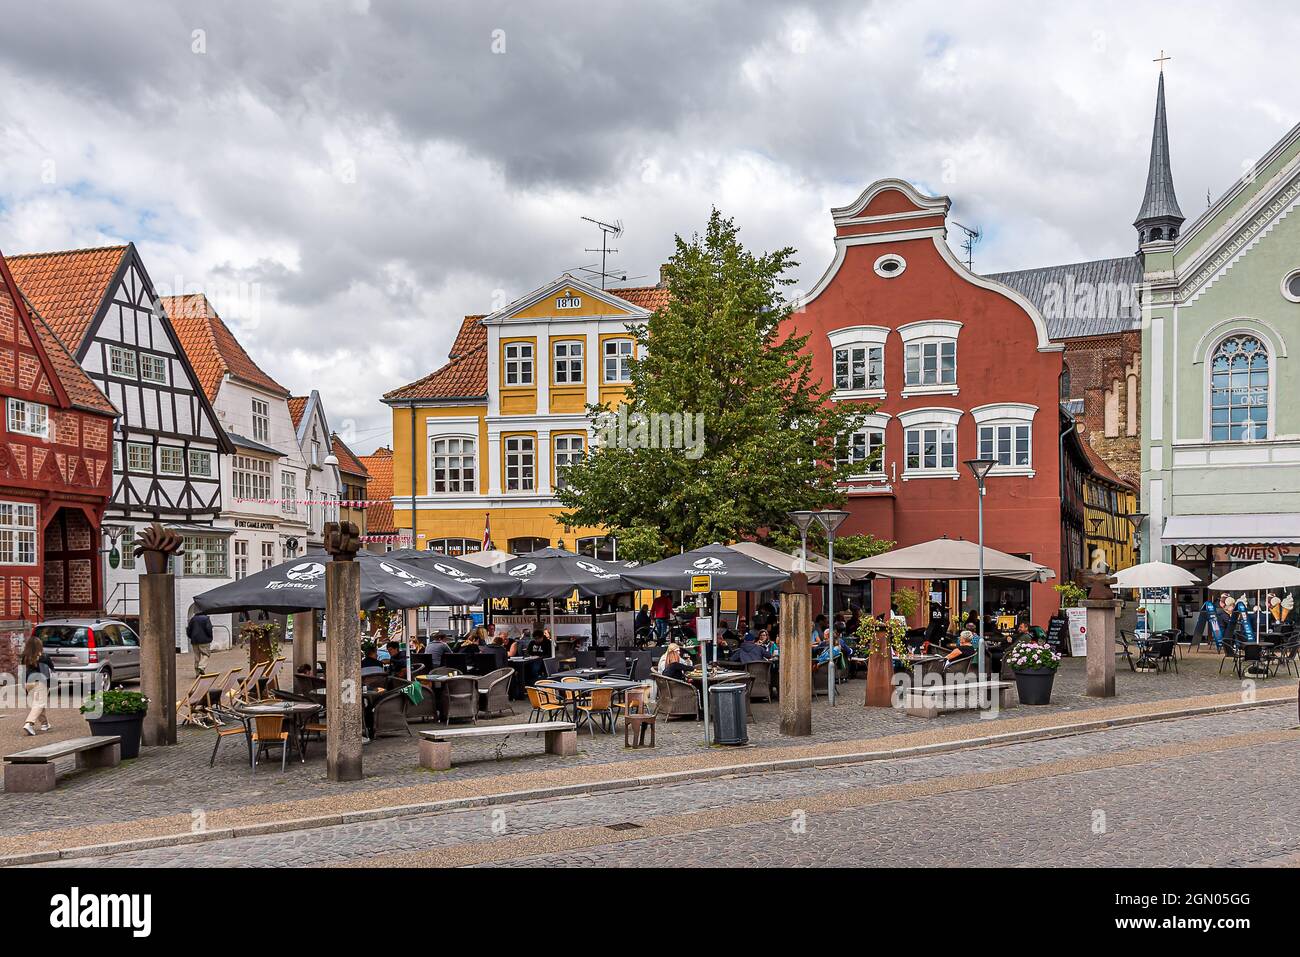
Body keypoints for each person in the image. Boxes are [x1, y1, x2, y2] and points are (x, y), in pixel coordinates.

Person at [20, 636, 53, 736]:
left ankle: (45, 724)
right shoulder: (44, 656)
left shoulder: (25, 657)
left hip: (28, 683)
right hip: (40, 682)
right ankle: (29, 723)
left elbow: (23, 672)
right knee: (38, 704)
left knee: (38, 703)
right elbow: (51, 669)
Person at [186, 611, 213, 677]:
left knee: (197, 657)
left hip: (194, 640)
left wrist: (191, 637)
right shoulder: (206, 618)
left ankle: (197, 673)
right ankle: (201, 666)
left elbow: (189, 629)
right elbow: (209, 629)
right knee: (206, 654)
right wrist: (210, 637)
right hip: (204, 640)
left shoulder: (193, 619)